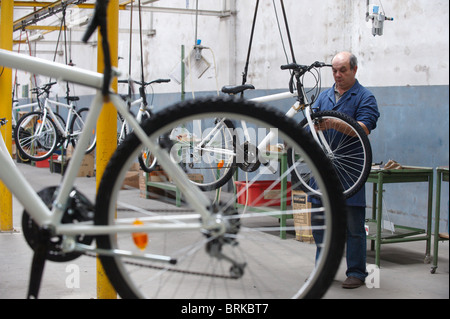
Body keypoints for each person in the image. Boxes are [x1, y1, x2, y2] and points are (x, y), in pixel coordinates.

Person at [312, 51, 380, 289]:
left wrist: (333, 123)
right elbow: (312, 125)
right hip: (322, 169)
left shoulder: (365, 97)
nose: (338, 75)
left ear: (354, 70)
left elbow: (363, 128)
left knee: (353, 226)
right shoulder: (324, 97)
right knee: (321, 223)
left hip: (351, 171)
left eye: (343, 70)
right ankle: (323, 269)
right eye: (334, 71)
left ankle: (356, 272)